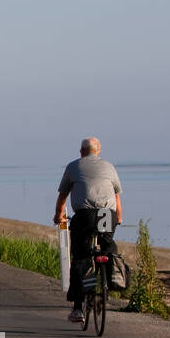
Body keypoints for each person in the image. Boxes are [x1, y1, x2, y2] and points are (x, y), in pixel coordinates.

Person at [54, 137, 122, 322]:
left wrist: (58, 216)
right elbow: (116, 197)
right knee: (107, 247)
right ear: (98, 151)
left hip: (85, 216)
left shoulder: (73, 166)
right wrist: (119, 218)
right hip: (107, 214)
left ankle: (78, 308)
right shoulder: (109, 167)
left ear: (81, 151)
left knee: (80, 257)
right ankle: (108, 282)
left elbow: (63, 196)